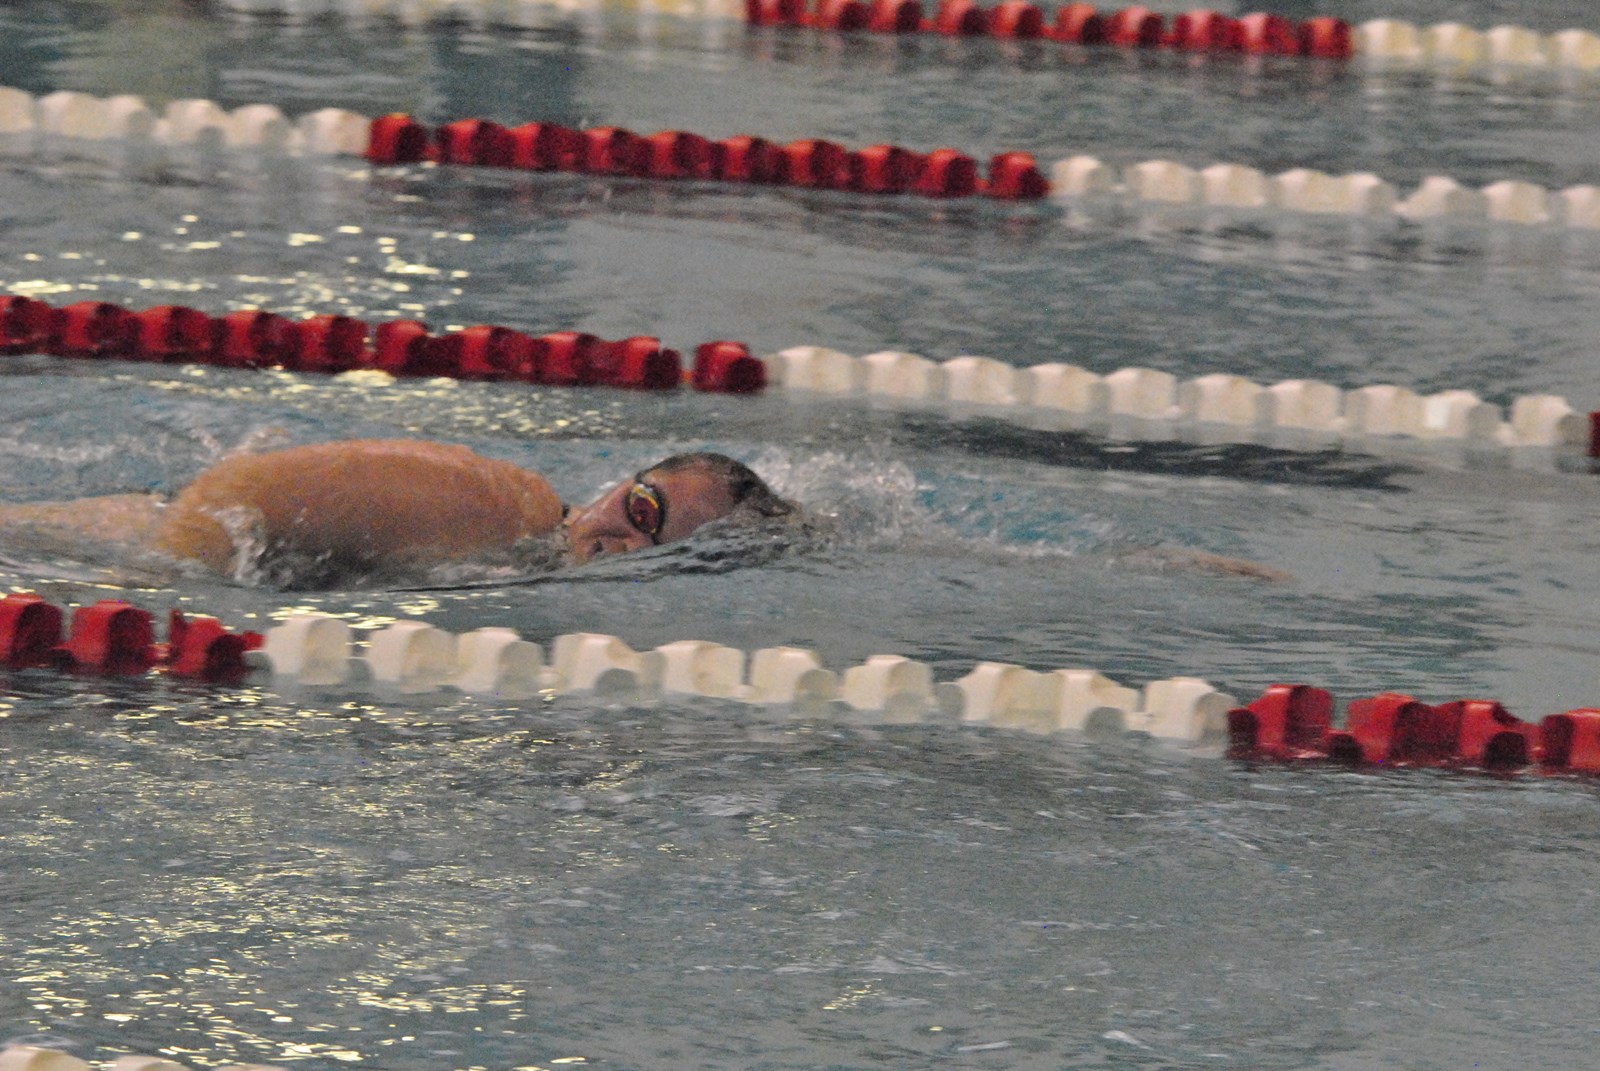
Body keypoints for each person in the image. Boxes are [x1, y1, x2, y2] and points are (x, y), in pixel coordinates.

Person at [0, 439, 794, 579]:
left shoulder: (520, 559)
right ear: (623, 481)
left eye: (659, 548)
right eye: (643, 505)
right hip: (140, 544)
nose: (627, 537)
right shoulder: (496, 508)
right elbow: (231, 494)